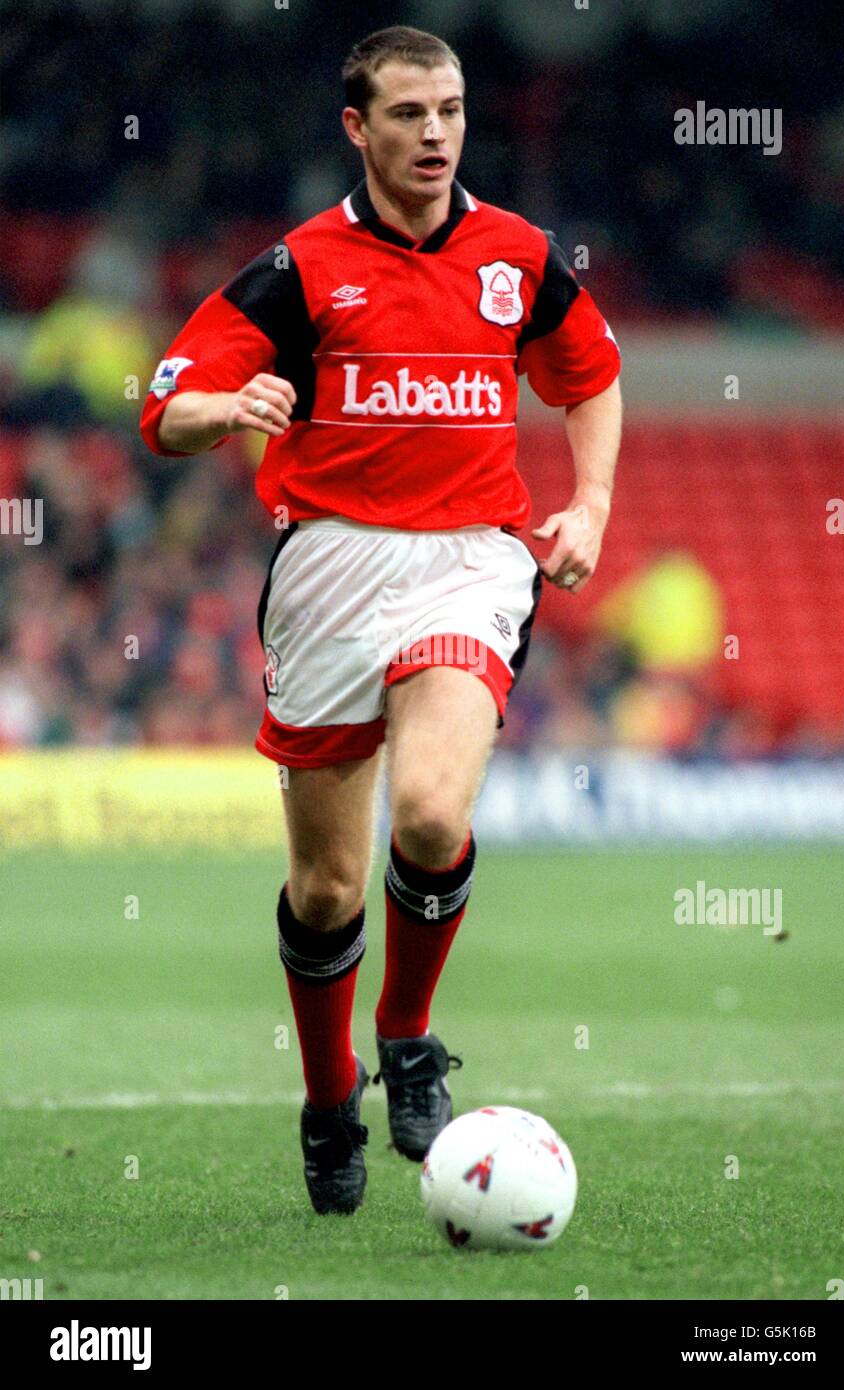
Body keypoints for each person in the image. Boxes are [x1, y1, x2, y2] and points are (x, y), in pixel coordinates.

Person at [140, 25, 622, 1215]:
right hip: (331, 569)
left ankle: (406, 1037)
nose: (435, 133)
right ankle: (325, 1093)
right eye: (408, 113)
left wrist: (592, 504)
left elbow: (590, 374)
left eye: (449, 109)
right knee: (323, 890)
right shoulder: (298, 270)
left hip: (470, 560)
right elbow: (165, 408)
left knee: (428, 810)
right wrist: (226, 404)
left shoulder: (517, 256)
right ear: (357, 128)